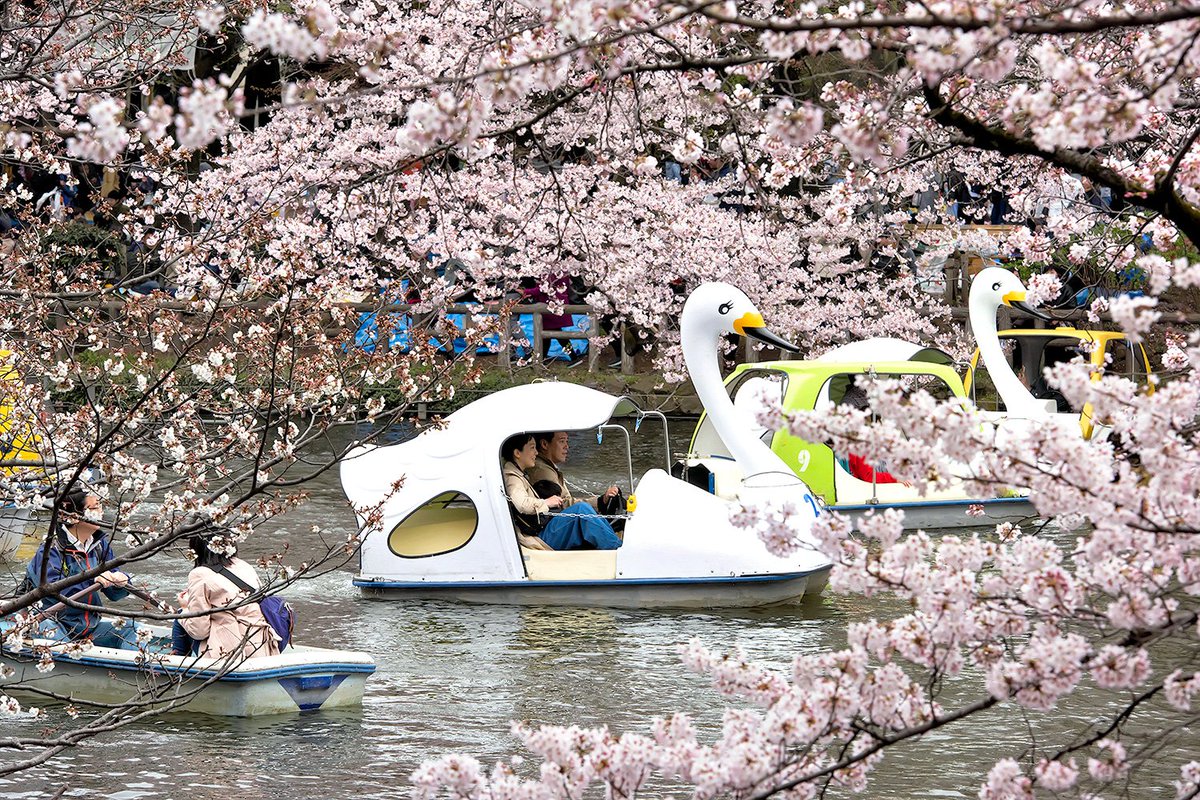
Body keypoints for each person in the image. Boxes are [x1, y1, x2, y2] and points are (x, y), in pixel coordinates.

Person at [22, 484, 138, 649]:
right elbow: (55, 591)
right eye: (95, 507)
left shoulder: (99, 545)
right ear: (74, 517)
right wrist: (95, 579)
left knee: (132, 629)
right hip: (53, 623)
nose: (101, 511)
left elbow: (114, 594)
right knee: (51, 633)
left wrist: (122, 582)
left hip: (89, 626)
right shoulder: (50, 550)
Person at [173, 523, 280, 659]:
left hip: (229, 653)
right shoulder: (243, 565)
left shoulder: (199, 574)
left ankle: (177, 668)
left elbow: (199, 631)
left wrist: (184, 607)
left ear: (196, 548)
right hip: (261, 647)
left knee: (180, 617)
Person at [500, 433, 621, 551]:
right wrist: (546, 502)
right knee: (581, 510)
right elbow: (521, 504)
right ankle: (618, 548)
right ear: (517, 453)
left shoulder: (519, 473)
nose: (536, 452)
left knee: (582, 510)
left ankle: (614, 543)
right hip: (539, 537)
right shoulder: (513, 477)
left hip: (542, 529)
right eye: (532, 448)